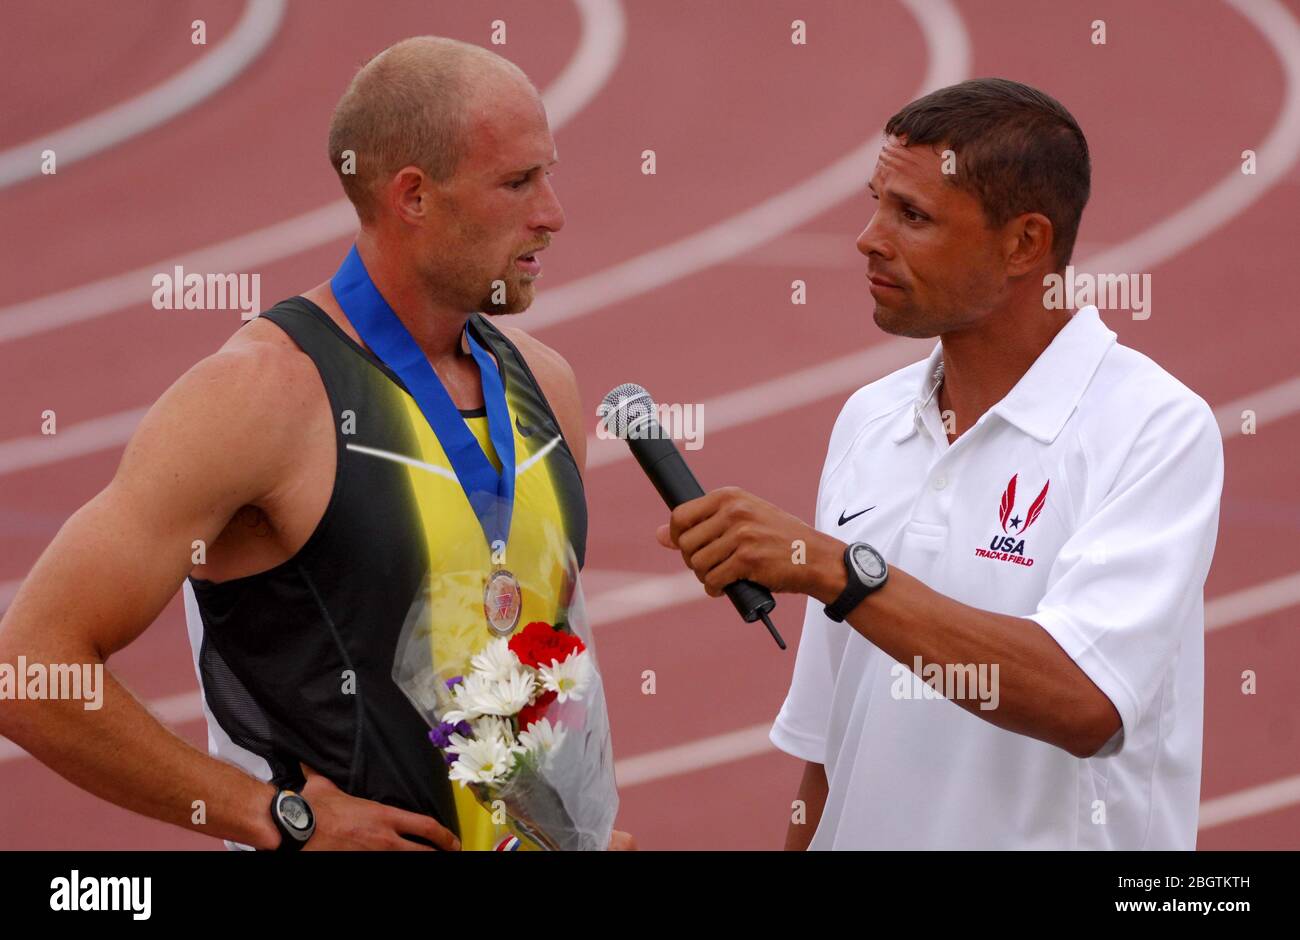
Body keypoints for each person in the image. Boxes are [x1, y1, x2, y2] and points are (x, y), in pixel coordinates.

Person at [0, 36, 633, 851]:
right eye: (518, 182)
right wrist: (277, 817)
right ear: (413, 196)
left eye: (548, 173)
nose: (553, 211)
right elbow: (27, 669)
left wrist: (576, 829)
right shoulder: (260, 397)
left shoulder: (545, 388)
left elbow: (521, 675)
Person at [656, 78, 1223, 850]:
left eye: (911, 215)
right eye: (876, 201)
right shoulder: (869, 419)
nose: (867, 238)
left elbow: (1084, 700)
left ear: (1026, 243)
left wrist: (840, 571)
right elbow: (833, 745)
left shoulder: (1155, 428)